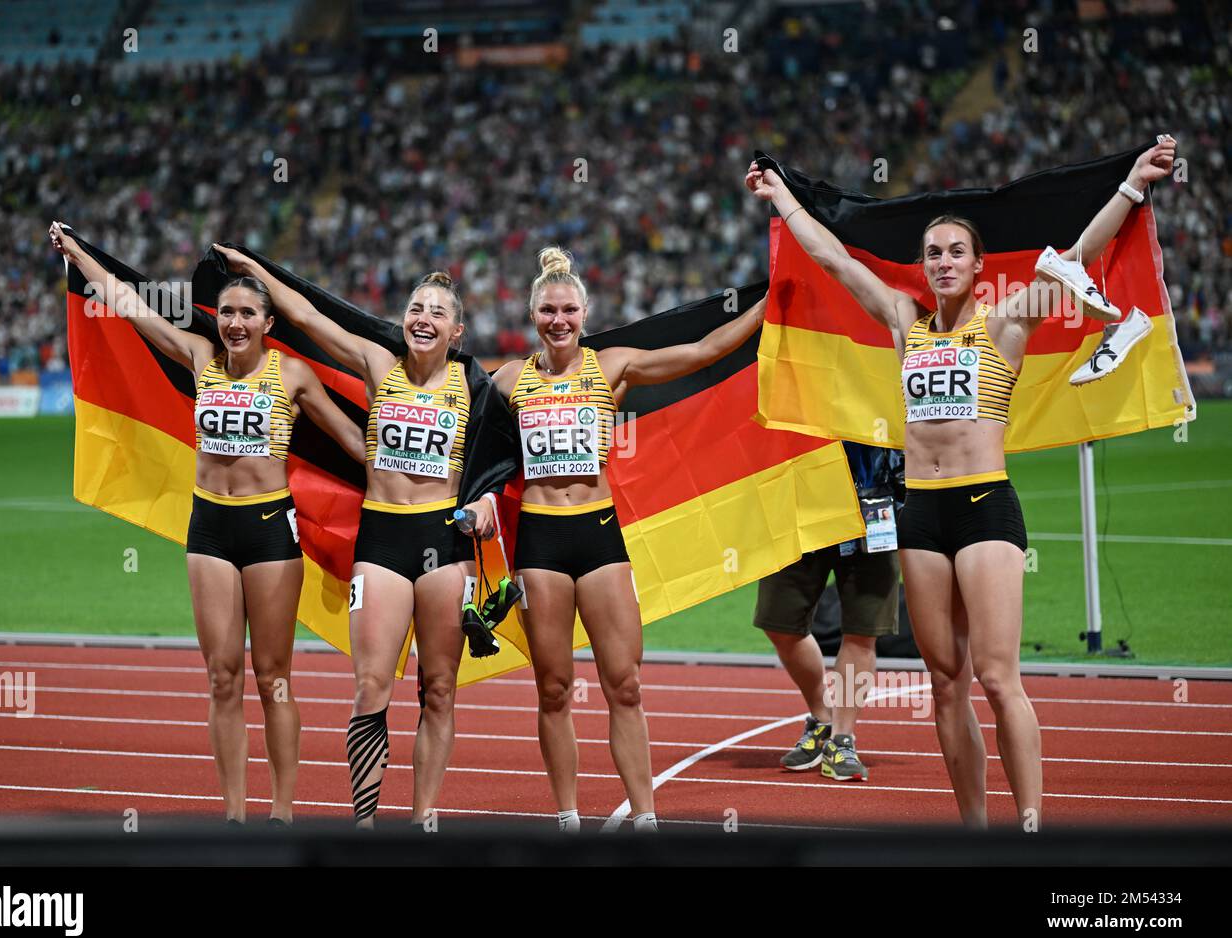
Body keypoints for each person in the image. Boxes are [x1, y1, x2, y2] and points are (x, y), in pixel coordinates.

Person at [745, 137, 1178, 827]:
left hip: (983, 507)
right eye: (933, 254)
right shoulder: (902, 321)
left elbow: (1077, 262)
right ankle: (974, 830)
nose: (942, 262)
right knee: (945, 685)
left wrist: (1132, 183)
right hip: (921, 514)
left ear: (977, 267)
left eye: (954, 252)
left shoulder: (1006, 323)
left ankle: (1031, 825)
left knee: (998, 678)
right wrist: (780, 197)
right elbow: (830, 257)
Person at [51, 222, 372, 825]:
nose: (236, 324)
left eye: (249, 313)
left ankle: (280, 813)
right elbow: (129, 306)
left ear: (267, 323)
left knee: (273, 678)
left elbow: (353, 440)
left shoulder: (293, 377)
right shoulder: (201, 357)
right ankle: (234, 816)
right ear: (216, 318)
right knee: (223, 679)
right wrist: (78, 256)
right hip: (210, 530)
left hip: (271, 530)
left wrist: (428, 478)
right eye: (227, 313)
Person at [212, 245, 509, 830]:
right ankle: (365, 825)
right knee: (371, 685)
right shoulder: (378, 363)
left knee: (440, 689)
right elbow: (306, 317)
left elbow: (496, 457)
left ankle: (424, 818)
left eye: (437, 313)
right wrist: (256, 270)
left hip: (444, 541)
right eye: (415, 308)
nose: (423, 318)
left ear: (457, 331)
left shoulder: (476, 384)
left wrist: (487, 499)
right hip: (382, 539)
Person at [492, 247, 771, 833]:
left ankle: (645, 816)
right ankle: (568, 815)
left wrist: (771, 306)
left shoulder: (612, 367)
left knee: (625, 683)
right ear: (533, 315)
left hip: (597, 535)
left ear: (585, 313)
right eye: (548, 310)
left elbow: (702, 352)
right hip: (539, 542)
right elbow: (462, 434)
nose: (558, 320)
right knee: (554, 688)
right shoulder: (509, 379)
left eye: (568, 309)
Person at [756, 442, 904, 782]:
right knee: (779, 622)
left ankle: (842, 738)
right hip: (797, 503)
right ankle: (822, 716)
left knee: (863, 628)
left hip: (873, 499)